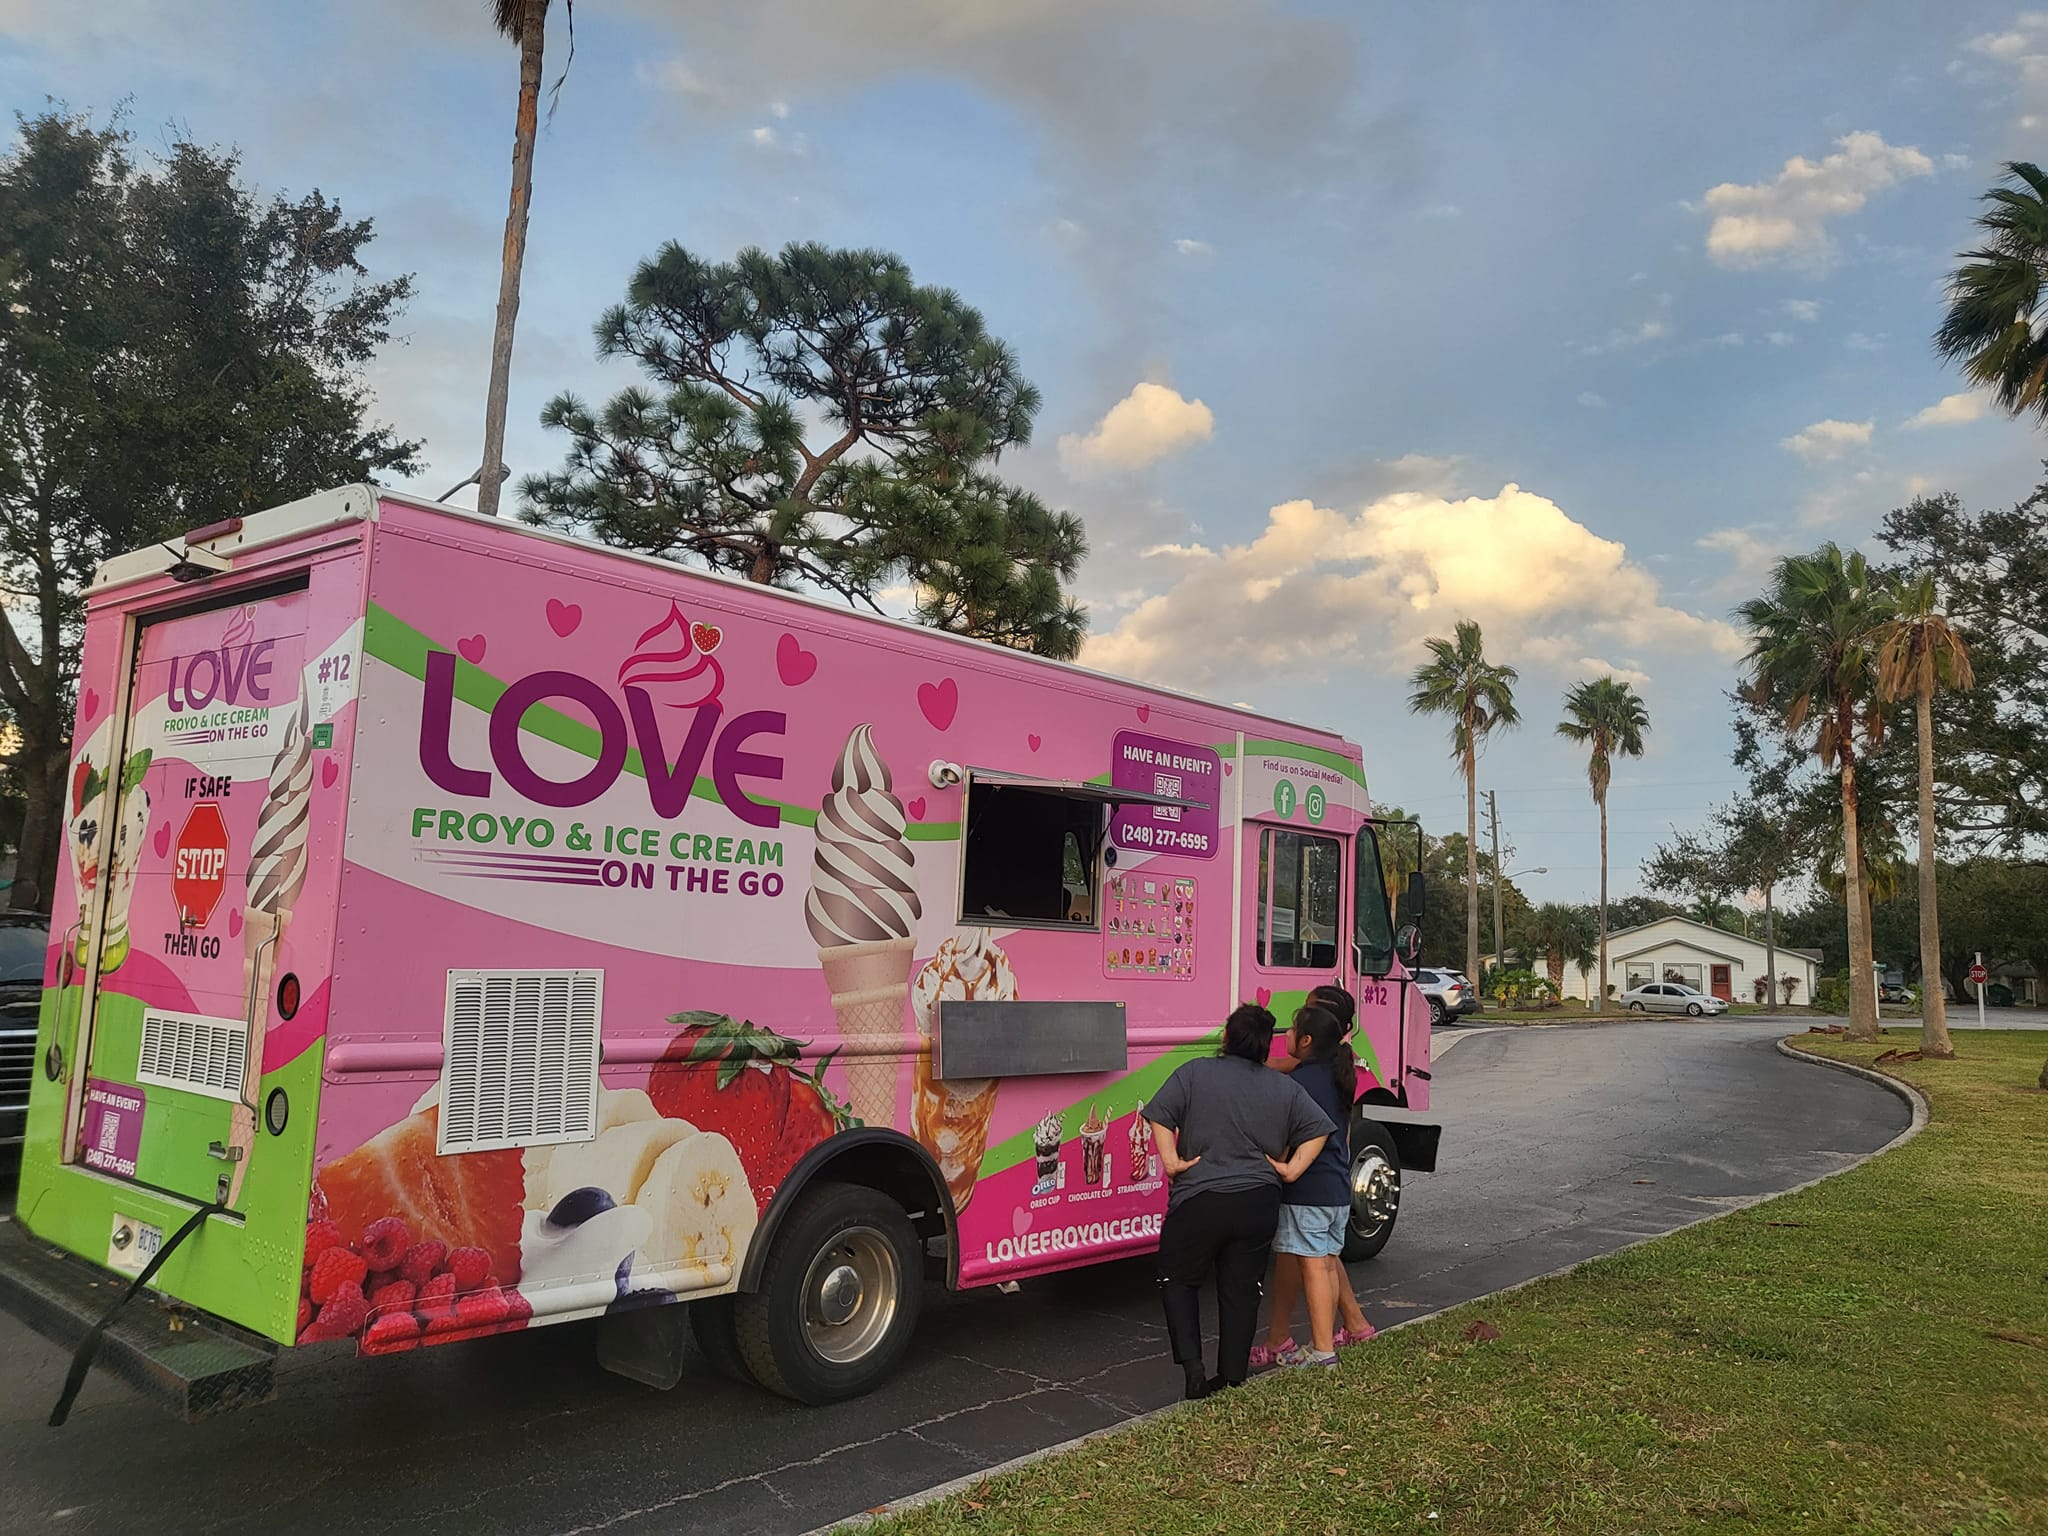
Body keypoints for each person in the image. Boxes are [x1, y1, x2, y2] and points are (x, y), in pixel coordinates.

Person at [1145, 1003, 1334, 1399]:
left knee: (1177, 1279)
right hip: (1258, 1203)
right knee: (1241, 1290)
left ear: (1227, 1038)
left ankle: (1194, 1369)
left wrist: (1171, 1162)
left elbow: (1160, 1114)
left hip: (1200, 1200)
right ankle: (1232, 1377)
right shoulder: (1283, 1087)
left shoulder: (1195, 1072)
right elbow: (1318, 1128)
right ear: (1265, 1048)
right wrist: (1291, 1169)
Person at [1250, 1001, 1376, 1370]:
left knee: (1315, 1269)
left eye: (1290, 1031)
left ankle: (1323, 1353)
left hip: (1307, 1192)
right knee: (1325, 1263)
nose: (1284, 1036)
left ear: (1305, 1040)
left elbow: (1284, 1134)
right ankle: (1325, 1345)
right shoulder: (1336, 1075)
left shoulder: (1300, 1084)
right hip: (1336, 1188)